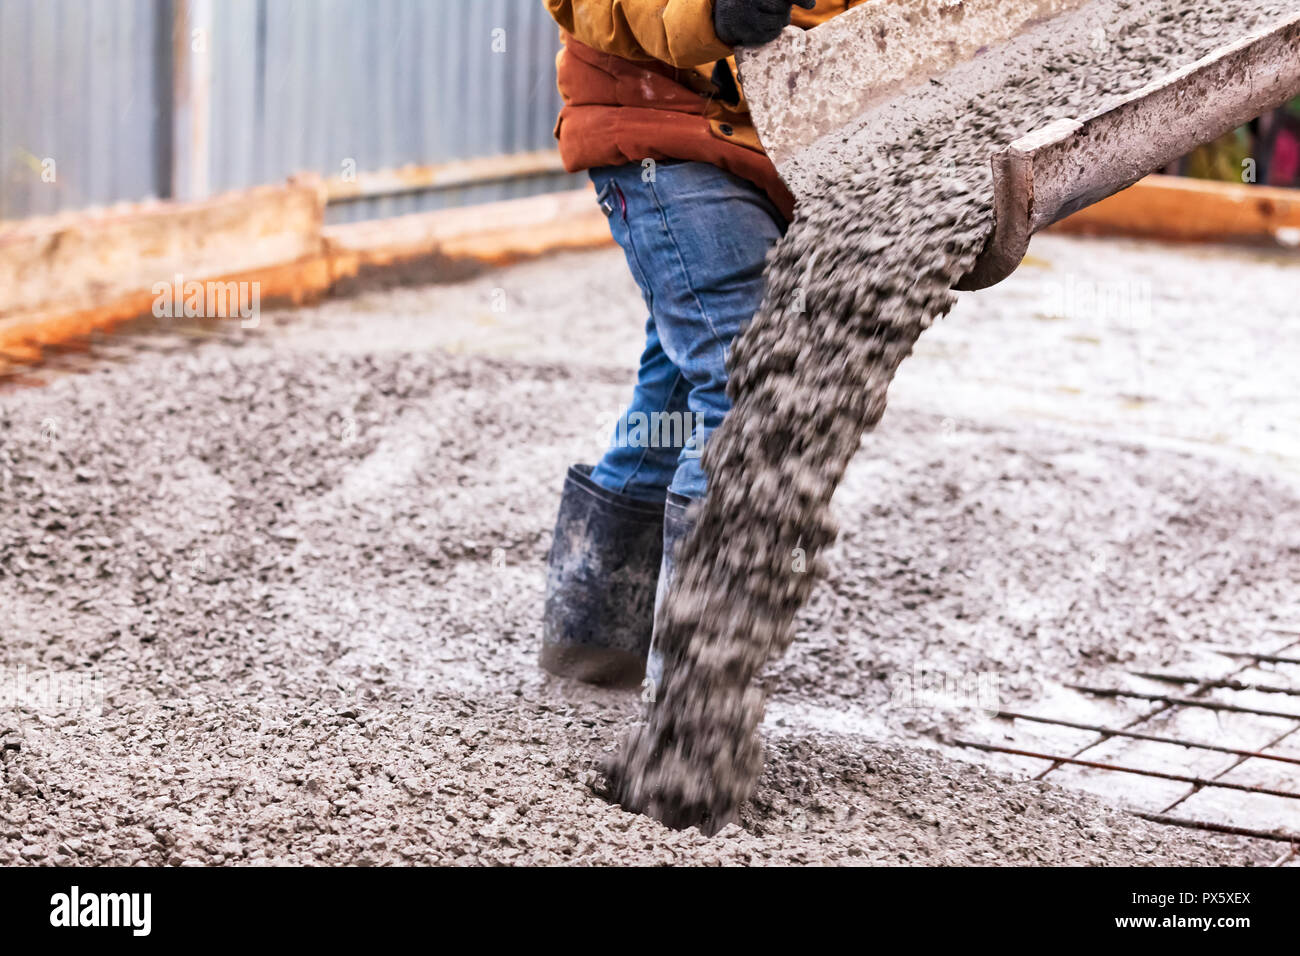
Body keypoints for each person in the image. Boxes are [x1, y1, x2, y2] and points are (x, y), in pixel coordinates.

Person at [538, 0, 864, 686]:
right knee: (750, 390)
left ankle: (595, 643)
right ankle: (692, 726)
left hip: (779, 144)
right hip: (664, 133)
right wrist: (712, 14)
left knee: (681, 387)